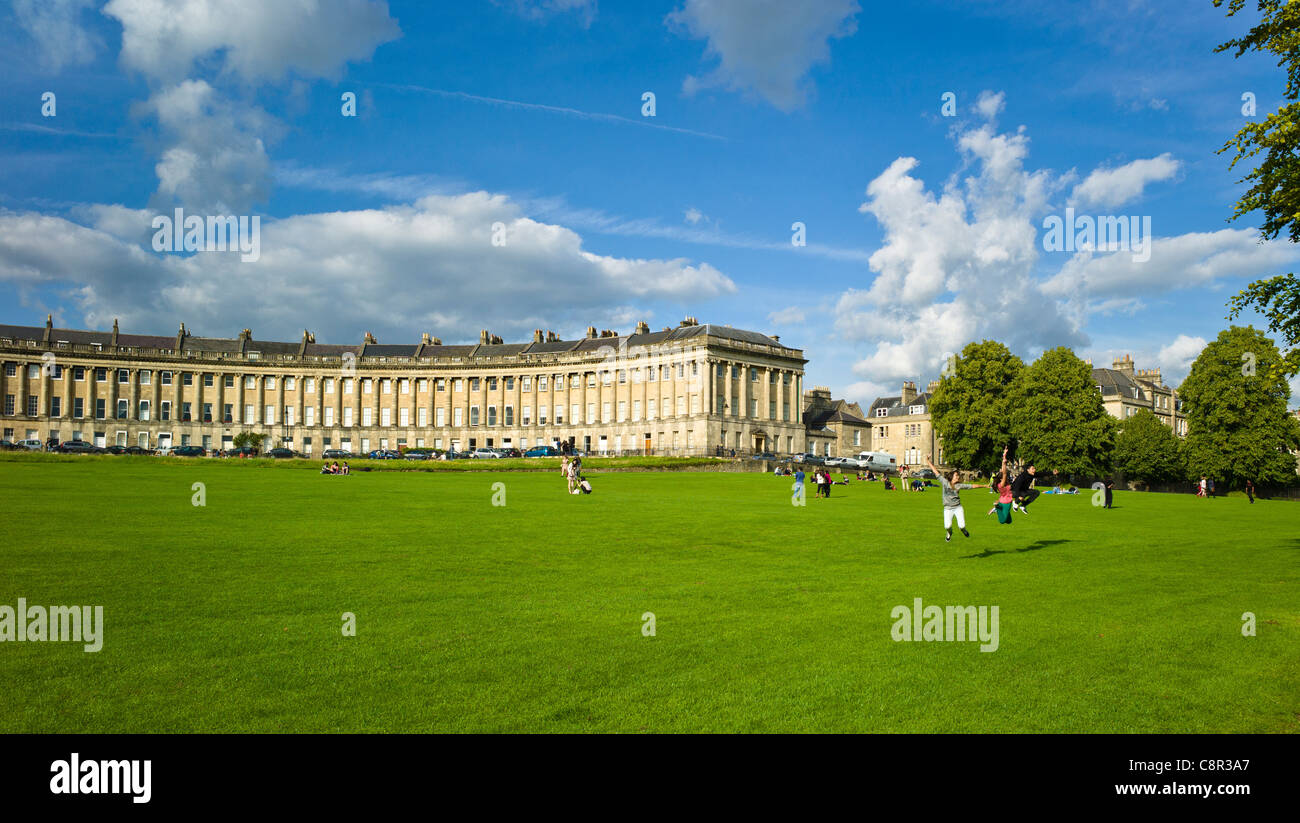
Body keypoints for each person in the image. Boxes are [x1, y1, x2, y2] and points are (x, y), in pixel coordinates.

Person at [927, 455, 986, 541]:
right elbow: (935, 471)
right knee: (947, 526)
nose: (958, 477)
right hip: (947, 508)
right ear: (952, 477)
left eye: (958, 476)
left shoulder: (959, 485)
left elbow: (972, 486)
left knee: (961, 526)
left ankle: (964, 531)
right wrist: (928, 461)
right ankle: (950, 533)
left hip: (957, 507)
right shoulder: (945, 482)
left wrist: (983, 486)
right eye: (956, 475)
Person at [986, 447, 1014, 524]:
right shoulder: (1001, 484)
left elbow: (1003, 495)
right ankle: (997, 508)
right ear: (1001, 479)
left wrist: (1004, 455)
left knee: (1009, 521)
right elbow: (1004, 473)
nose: (1006, 478)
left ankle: (997, 507)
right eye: (1004, 478)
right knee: (1002, 521)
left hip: (1004, 501)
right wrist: (1004, 460)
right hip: (1005, 503)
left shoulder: (1004, 483)